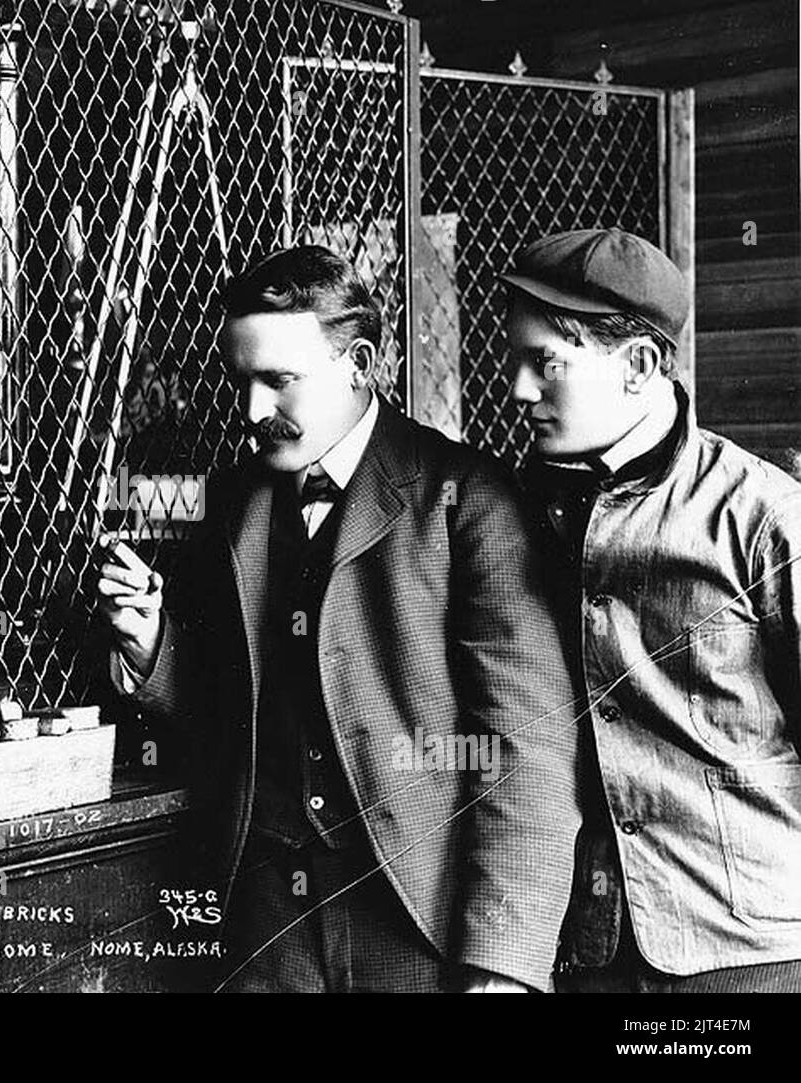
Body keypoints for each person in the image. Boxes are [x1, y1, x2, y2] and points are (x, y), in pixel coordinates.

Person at [96, 245, 581, 992]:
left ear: (358, 364)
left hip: (418, 920)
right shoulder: (235, 502)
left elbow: (526, 752)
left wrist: (502, 965)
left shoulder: (467, 499)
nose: (253, 412)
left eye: (278, 382)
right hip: (261, 928)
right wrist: (151, 641)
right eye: (241, 382)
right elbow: (227, 713)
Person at [503, 227, 801, 992]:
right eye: (516, 359)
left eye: (545, 364)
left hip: (749, 954)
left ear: (639, 365)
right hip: (586, 950)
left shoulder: (762, 517)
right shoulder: (515, 508)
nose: (518, 389)